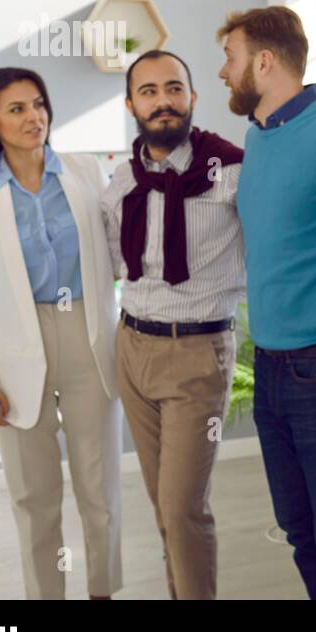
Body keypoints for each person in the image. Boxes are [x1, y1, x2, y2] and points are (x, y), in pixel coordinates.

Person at [219, 6, 316, 600]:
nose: (223, 72)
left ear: (264, 61)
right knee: (299, 532)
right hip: (270, 368)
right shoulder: (256, 138)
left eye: (230, 58)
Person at [0, 67, 121, 599]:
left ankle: (102, 591)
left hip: (87, 334)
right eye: (17, 108)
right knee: (34, 496)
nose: (34, 117)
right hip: (13, 349)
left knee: (100, 486)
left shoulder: (85, 172)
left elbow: (118, 254)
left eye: (39, 104)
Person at [99, 49, 244, 600]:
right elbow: (114, 265)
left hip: (197, 352)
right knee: (164, 508)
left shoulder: (230, 172)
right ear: (131, 105)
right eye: (149, 91)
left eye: (174, 89)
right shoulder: (122, 182)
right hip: (133, 346)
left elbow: (270, 250)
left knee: (183, 509)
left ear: (192, 97)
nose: (163, 101)